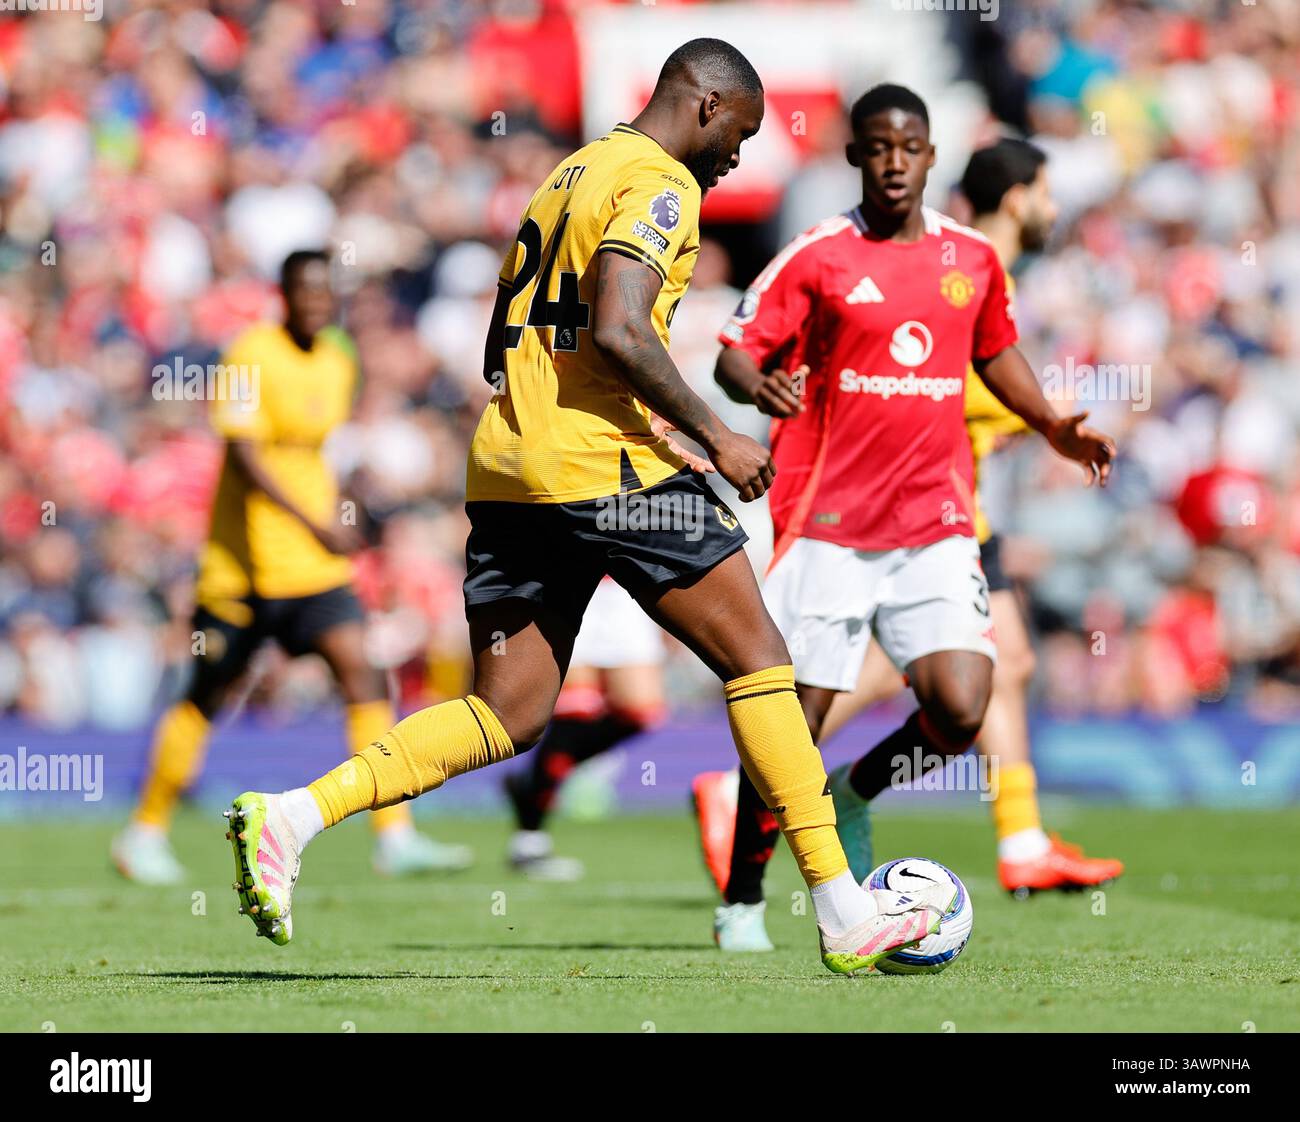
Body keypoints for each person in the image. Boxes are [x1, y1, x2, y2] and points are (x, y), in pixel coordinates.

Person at [222, 41, 951, 973]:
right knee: (762, 658)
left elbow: (503, 346)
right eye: (739, 133)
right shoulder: (659, 184)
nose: (736, 158)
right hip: (591, 465)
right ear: (707, 101)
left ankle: (292, 816)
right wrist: (717, 434)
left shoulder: (567, 173)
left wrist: (647, 432)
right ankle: (844, 910)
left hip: (510, 465)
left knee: (509, 712)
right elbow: (616, 326)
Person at [692, 87, 1116, 951]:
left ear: (930, 158)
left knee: (962, 709)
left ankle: (854, 790)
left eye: (909, 147)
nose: (893, 161)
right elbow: (735, 350)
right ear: (856, 157)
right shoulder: (818, 255)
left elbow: (995, 350)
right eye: (877, 147)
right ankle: (741, 896)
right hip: (829, 524)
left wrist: (1052, 427)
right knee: (791, 725)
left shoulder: (971, 260)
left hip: (934, 519)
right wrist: (754, 384)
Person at [111, 250, 470, 884]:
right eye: (304, 292)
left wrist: (348, 506)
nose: (315, 303)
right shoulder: (251, 353)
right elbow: (244, 454)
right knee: (207, 694)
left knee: (363, 673)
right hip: (241, 568)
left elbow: (317, 452)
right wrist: (313, 519)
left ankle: (393, 835)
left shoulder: (337, 358)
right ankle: (144, 831)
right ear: (283, 294)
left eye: (324, 293)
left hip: (313, 569)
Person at [502, 577, 666, 881]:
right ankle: (529, 841)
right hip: (575, 578)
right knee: (574, 710)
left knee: (641, 711)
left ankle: (532, 786)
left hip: (626, 583)